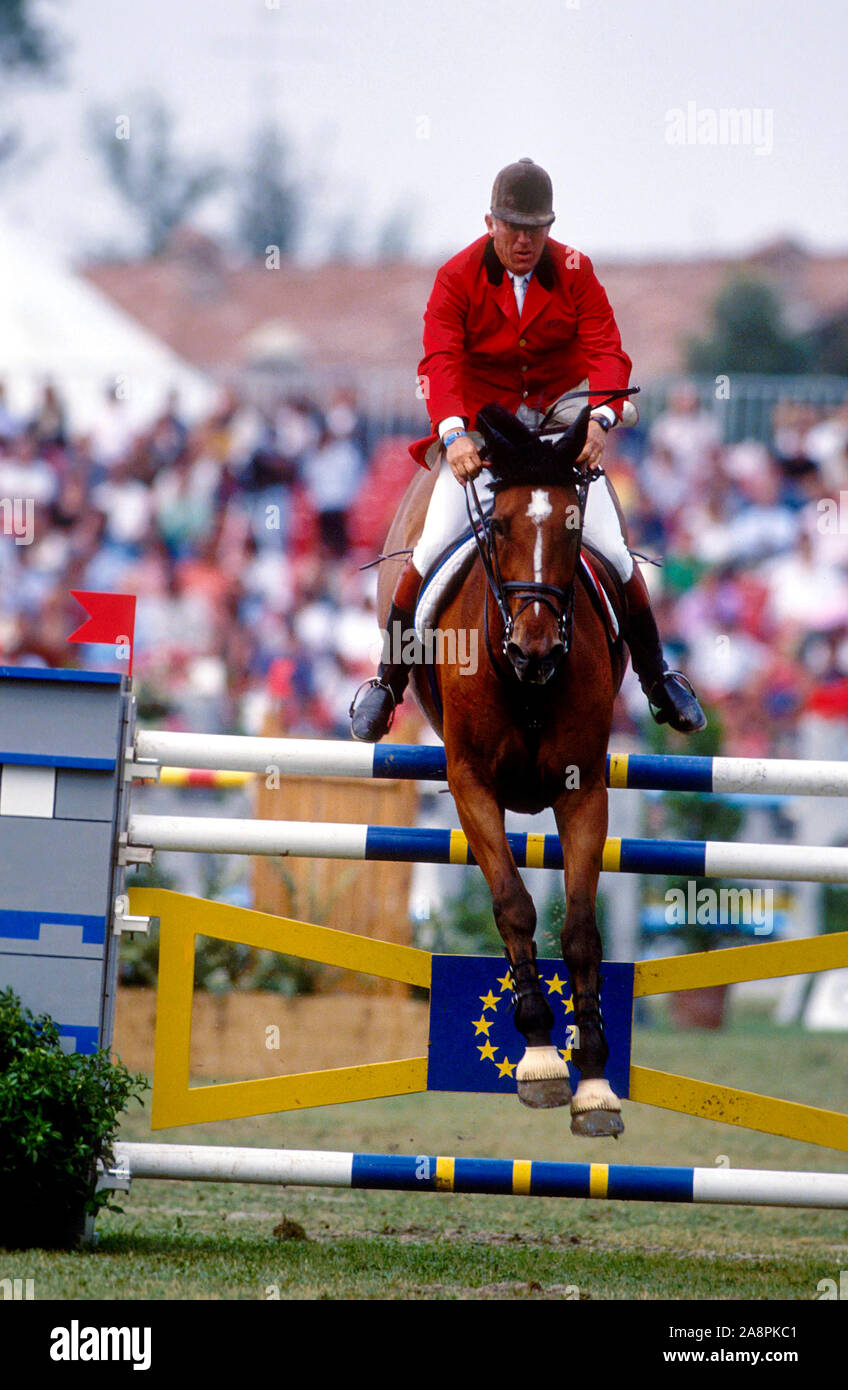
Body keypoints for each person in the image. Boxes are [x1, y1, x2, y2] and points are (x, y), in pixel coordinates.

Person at [350, 157, 705, 741]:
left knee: (614, 551)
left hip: (561, 427)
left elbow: (608, 353)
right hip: (484, 434)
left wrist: (602, 417)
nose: (523, 241)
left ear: (550, 226)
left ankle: (656, 677)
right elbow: (439, 361)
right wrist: (453, 432)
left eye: (535, 229)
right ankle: (388, 683)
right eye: (513, 227)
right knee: (428, 548)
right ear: (489, 222)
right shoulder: (455, 276)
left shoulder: (576, 269)